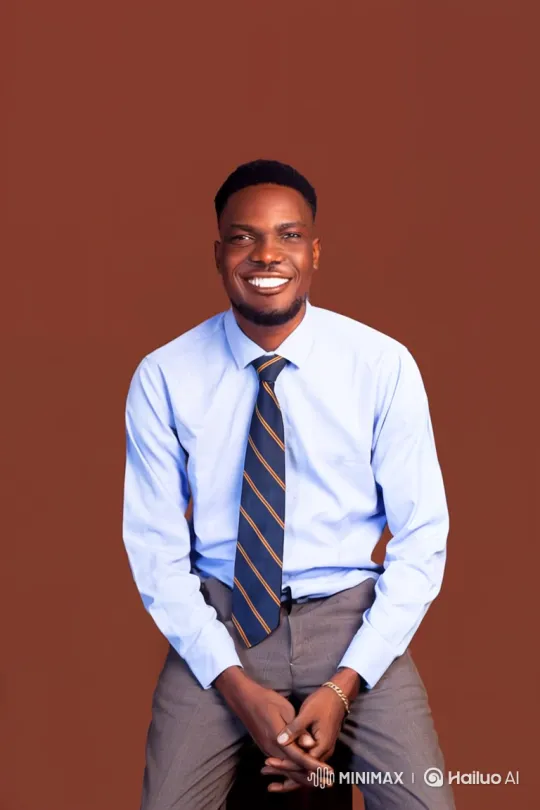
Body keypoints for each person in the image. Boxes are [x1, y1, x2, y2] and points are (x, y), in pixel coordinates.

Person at [122, 159, 455, 809]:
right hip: (223, 624)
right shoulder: (164, 376)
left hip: (352, 619)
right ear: (219, 254)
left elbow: (423, 537)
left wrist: (343, 685)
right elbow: (156, 552)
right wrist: (235, 684)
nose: (266, 254)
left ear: (316, 251)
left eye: (289, 235)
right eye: (244, 237)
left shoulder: (380, 365)